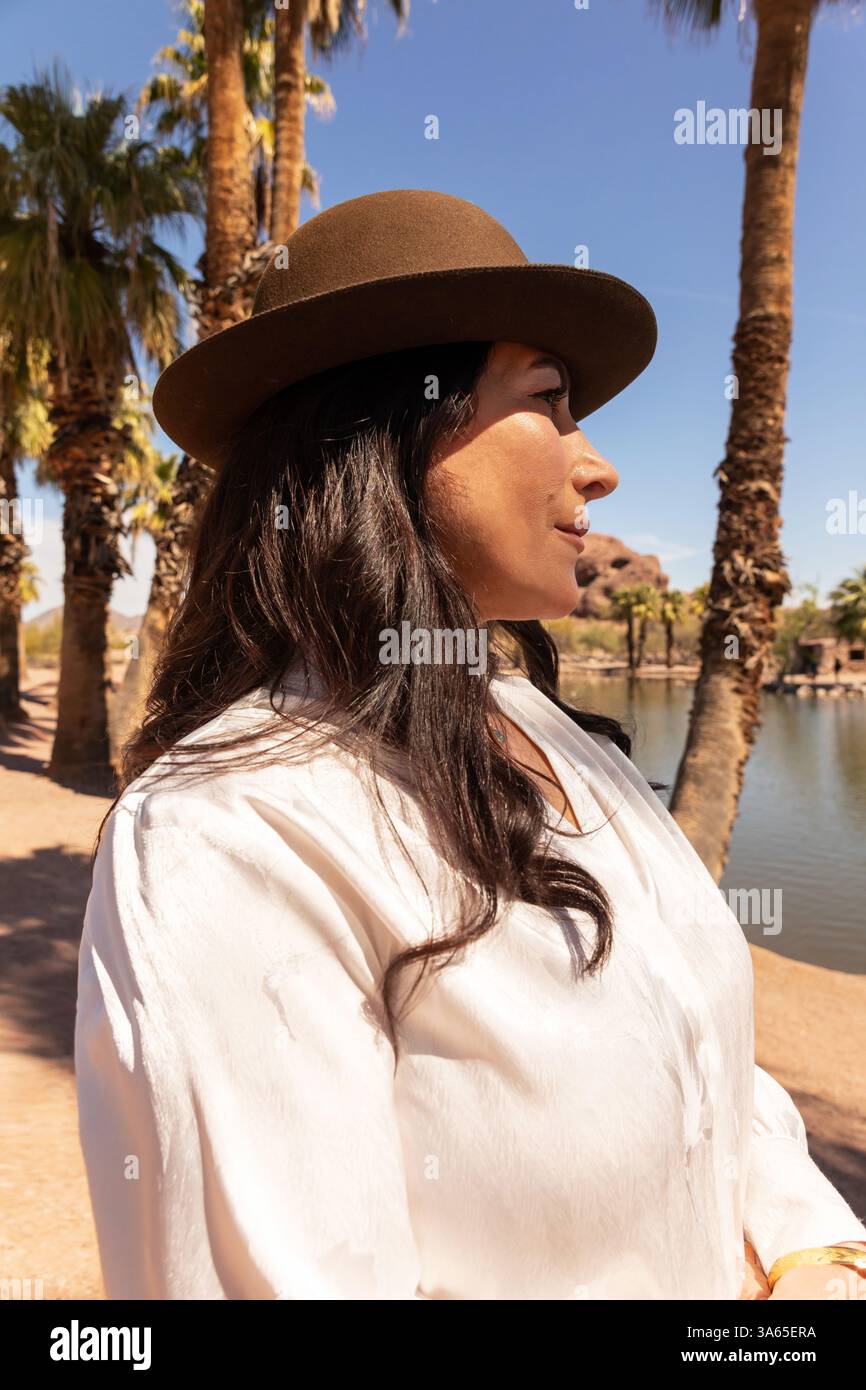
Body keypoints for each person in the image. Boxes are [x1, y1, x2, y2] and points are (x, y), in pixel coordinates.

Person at [74, 189, 866, 1300]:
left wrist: (808, 1258)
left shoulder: (559, 739)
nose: (598, 469)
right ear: (392, 430)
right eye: (548, 400)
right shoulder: (226, 838)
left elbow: (713, 1078)